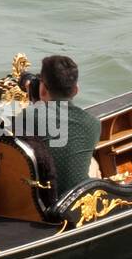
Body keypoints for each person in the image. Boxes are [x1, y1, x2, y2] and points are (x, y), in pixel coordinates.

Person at [36, 55, 101, 192]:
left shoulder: (26, 118)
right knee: (92, 162)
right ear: (76, 90)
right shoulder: (93, 124)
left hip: (44, 199)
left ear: (42, 90)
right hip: (77, 200)